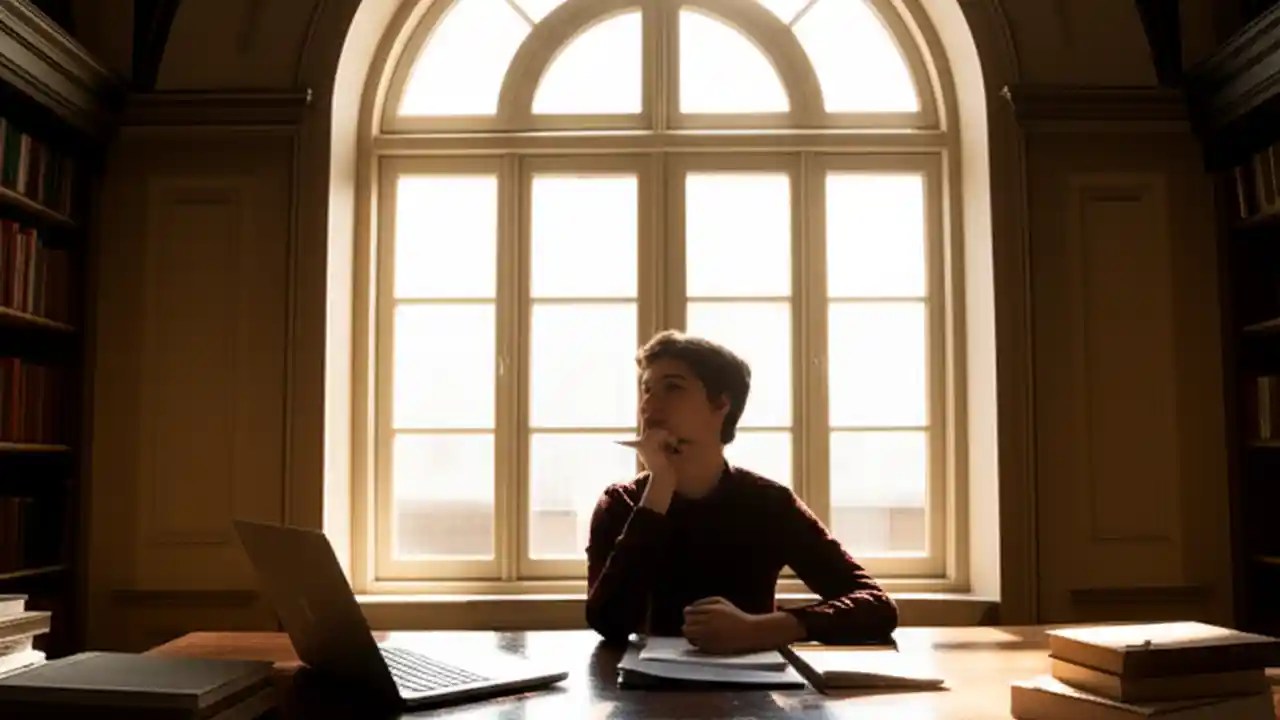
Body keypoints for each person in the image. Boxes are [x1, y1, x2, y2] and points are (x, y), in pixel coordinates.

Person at [585, 330, 898, 654]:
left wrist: (762, 629)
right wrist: (660, 486)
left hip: (752, 682)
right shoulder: (621, 503)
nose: (648, 404)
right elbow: (608, 622)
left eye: (673, 387)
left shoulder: (768, 504)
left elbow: (875, 604)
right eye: (646, 389)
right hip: (640, 683)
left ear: (721, 403)